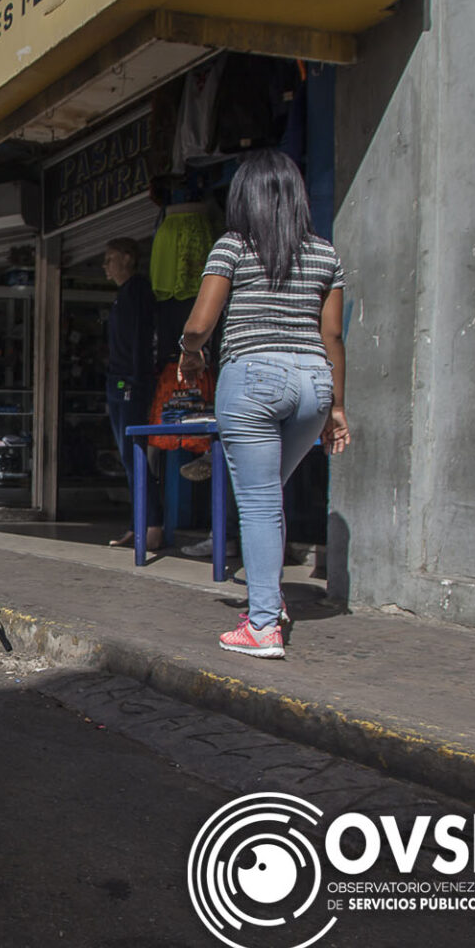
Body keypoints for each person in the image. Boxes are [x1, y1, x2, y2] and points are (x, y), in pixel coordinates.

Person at [178, 149, 353, 659]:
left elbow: (198, 324)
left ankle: (261, 626)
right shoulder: (325, 254)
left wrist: (189, 353)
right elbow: (335, 336)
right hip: (314, 386)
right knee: (268, 494)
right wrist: (338, 409)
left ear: (244, 197)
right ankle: (268, 601)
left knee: (257, 501)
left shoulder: (232, 246)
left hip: (253, 377)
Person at [102, 237, 165, 550]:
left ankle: (150, 524)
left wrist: (137, 380)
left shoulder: (137, 291)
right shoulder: (123, 295)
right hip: (119, 380)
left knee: (134, 454)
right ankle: (139, 523)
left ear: (127, 258)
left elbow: (142, 340)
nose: (105, 266)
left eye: (110, 258)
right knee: (128, 456)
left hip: (131, 382)